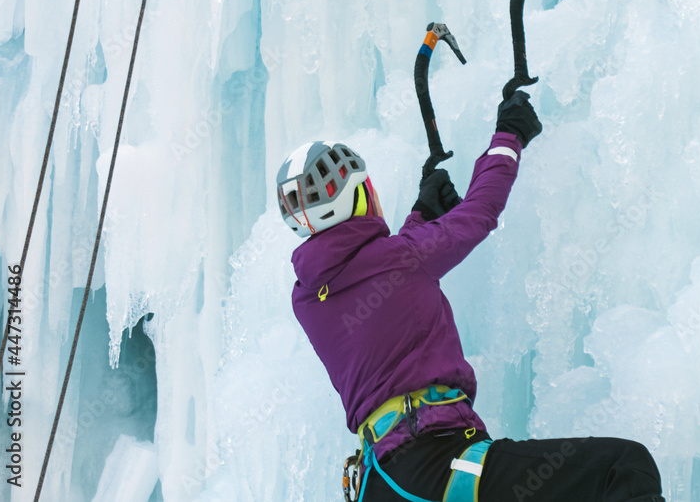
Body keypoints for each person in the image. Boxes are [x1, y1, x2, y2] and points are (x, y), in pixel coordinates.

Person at [277, 91, 665, 502]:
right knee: (623, 467)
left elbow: (379, 275)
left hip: (383, 484)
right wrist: (508, 137)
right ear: (359, 196)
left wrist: (422, 214)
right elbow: (480, 211)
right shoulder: (403, 258)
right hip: (439, 458)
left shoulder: (306, 299)